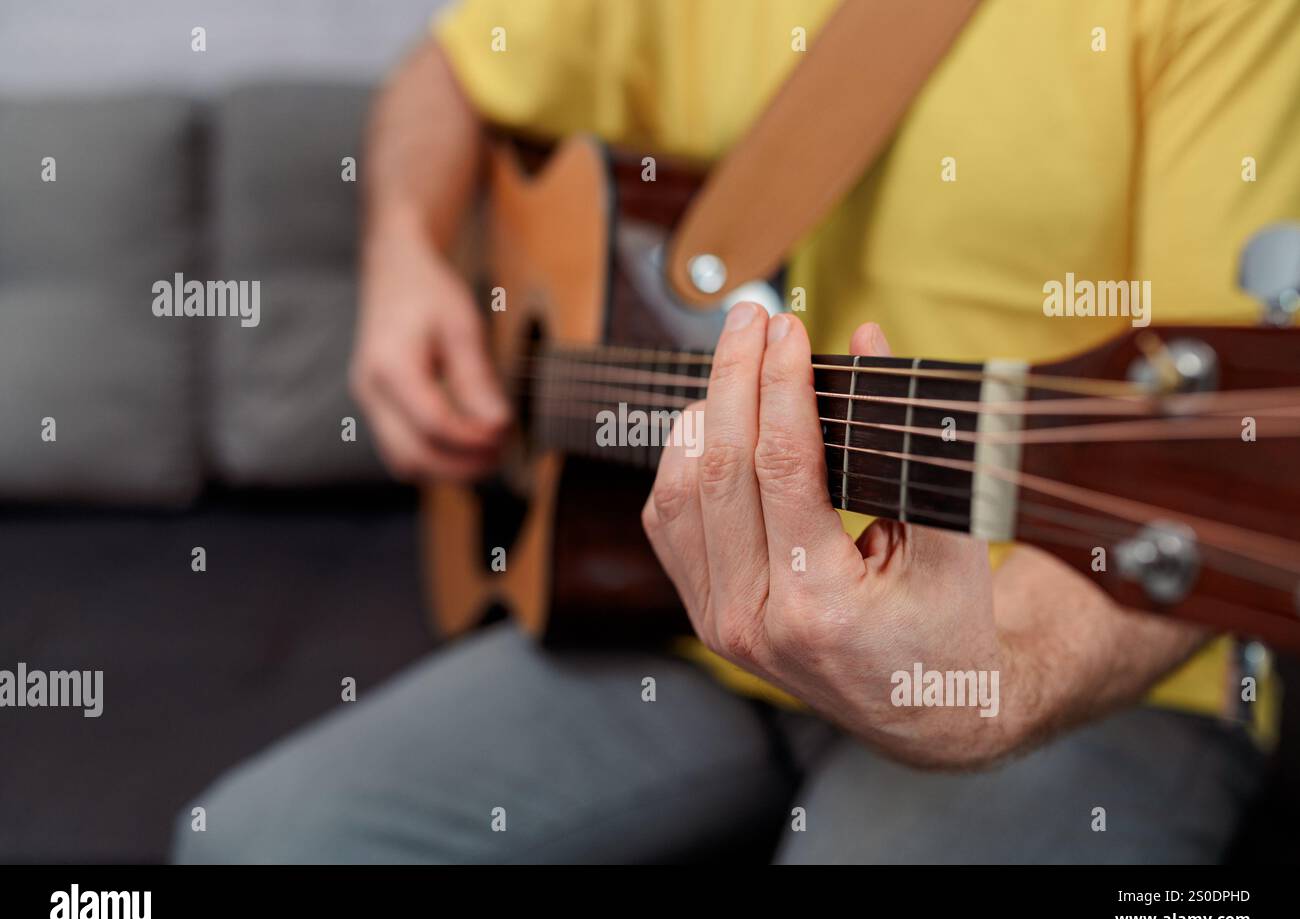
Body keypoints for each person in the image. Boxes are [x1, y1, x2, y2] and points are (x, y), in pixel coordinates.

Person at [173, 0, 1298, 863]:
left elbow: (1224, 468)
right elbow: (446, 73)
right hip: (674, 616)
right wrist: (403, 259)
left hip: (1074, 661)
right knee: (253, 841)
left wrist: (983, 688)